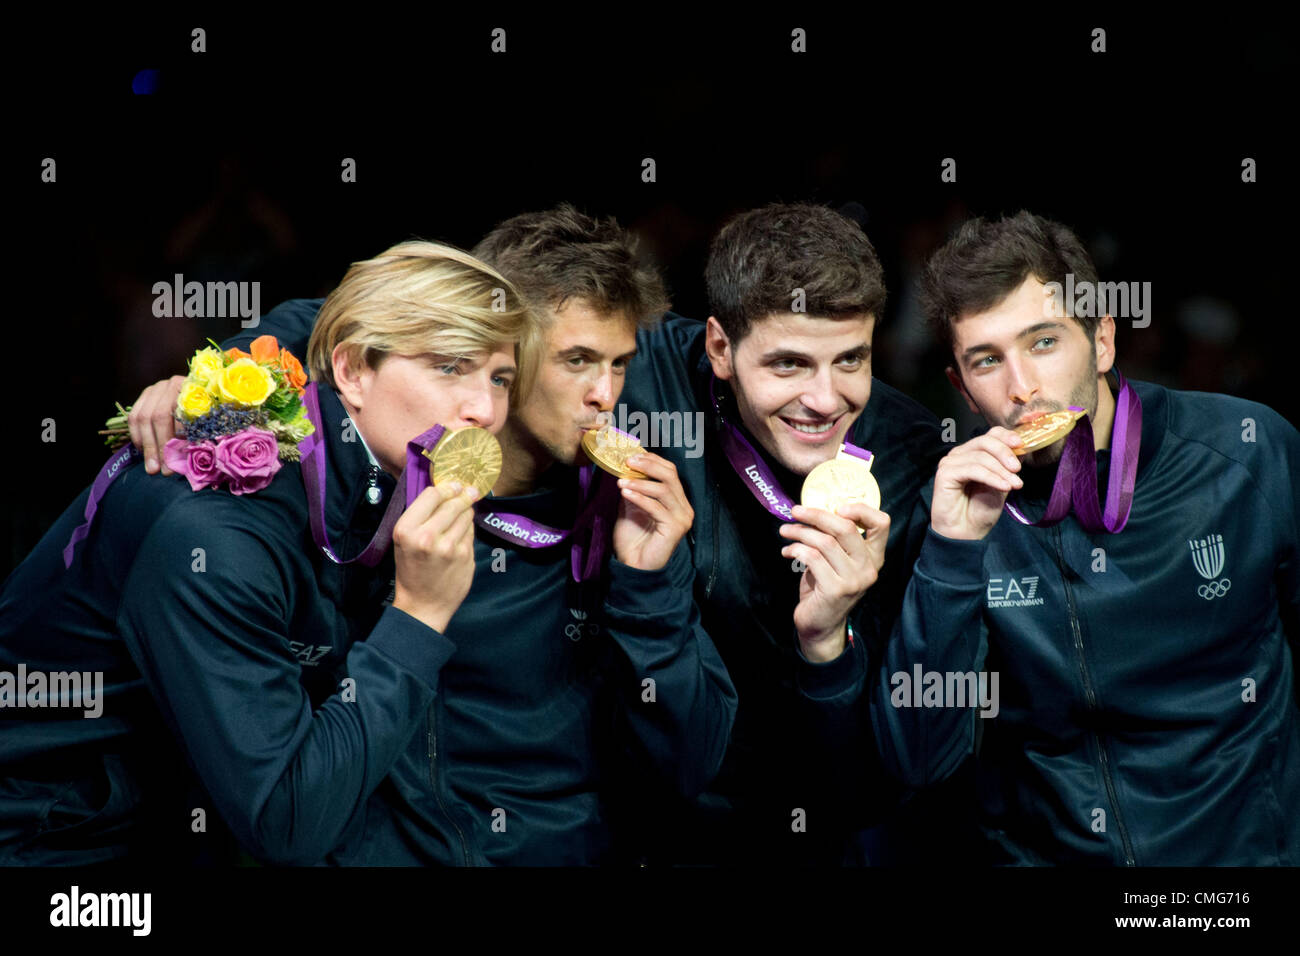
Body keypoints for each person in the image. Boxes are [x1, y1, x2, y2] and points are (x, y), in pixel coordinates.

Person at [144, 206, 738, 864]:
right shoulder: (370, 492)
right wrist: (211, 386)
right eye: (576, 360)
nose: (606, 394)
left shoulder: (629, 522)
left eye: (620, 364)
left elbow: (691, 771)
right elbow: (346, 327)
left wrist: (650, 591)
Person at [0, 241, 532, 864]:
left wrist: (221, 367)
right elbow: (290, 823)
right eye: (449, 367)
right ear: (353, 371)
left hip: (193, 811)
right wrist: (418, 619)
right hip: (59, 838)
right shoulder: (215, 537)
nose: (487, 410)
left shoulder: (368, 443)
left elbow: (320, 315)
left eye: (500, 378)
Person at [874, 209, 1300, 864]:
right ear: (959, 386)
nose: (1023, 390)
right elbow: (920, 762)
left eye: (1043, 342)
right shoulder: (954, 510)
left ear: (1102, 340)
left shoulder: (1247, 452)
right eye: (987, 361)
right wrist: (951, 555)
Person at [615, 203, 954, 864]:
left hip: (816, 833)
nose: (827, 400)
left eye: (851, 360)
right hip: (640, 824)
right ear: (719, 347)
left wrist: (831, 646)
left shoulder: (913, 459)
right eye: (789, 365)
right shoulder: (638, 369)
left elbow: (881, 782)